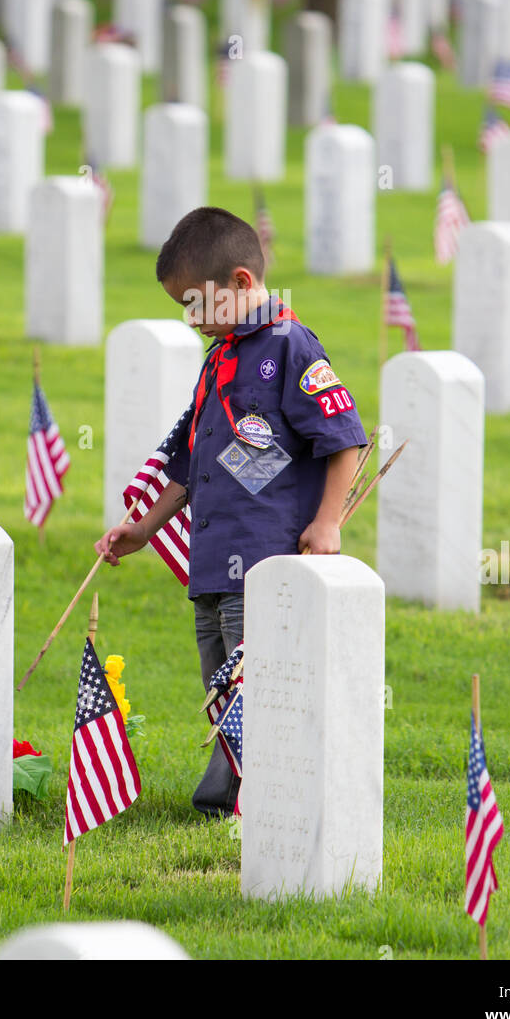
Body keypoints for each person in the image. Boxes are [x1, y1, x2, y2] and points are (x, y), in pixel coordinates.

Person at [94, 206, 367, 817]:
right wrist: (144, 528)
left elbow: (345, 436)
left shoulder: (290, 345)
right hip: (212, 560)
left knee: (257, 683)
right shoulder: (218, 357)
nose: (189, 320)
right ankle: (233, 782)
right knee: (220, 685)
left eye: (195, 304)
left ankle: (248, 792)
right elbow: (192, 463)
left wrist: (329, 523)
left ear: (241, 284)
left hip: (264, 560)